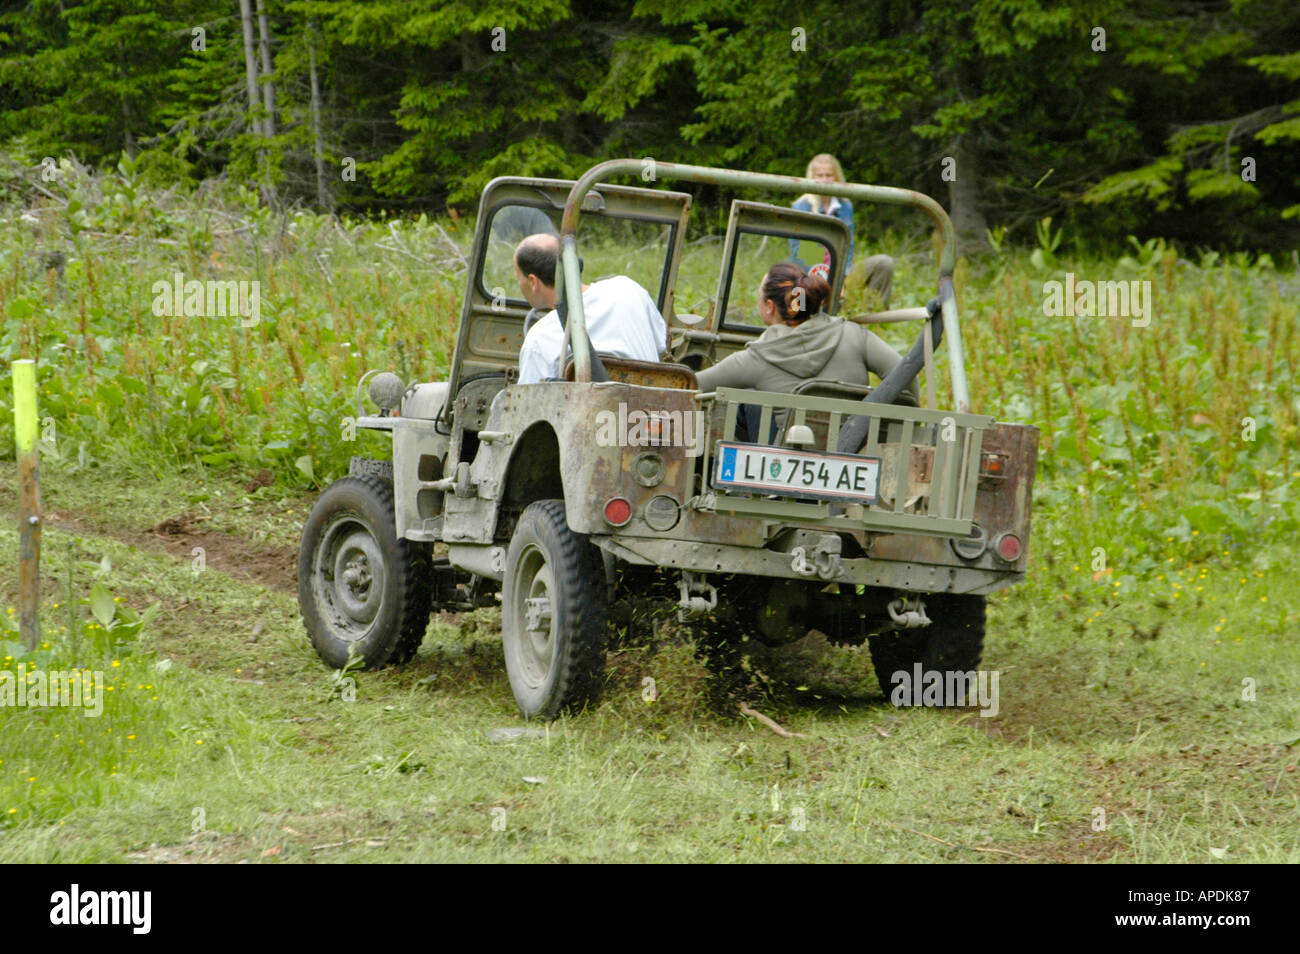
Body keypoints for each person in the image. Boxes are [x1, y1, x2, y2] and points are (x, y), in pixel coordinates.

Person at [695, 262, 916, 442]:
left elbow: (691, 386)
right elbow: (905, 375)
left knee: (749, 400)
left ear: (769, 306)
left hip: (783, 473)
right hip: (855, 459)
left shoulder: (755, 358)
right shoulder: (854, 335)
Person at [513, 233, 666, 384]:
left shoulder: (539, 340)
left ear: (533, 281)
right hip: (657, 407)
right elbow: (660, 347)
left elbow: (530, 405)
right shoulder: (630, 290)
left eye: (518, 278)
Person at [789, 153, 895, 308]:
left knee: (884, 263)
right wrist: (825, 276)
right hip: (810, 276)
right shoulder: (801, 206)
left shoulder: (845, 206)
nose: (825, 180)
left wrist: (841, 276)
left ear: (836, 177)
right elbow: (798, 251)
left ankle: (872, 316)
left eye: (829, 175)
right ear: (811, 177)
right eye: (820, 176)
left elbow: (848, 245)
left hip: (841, 273)